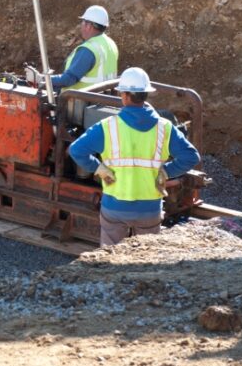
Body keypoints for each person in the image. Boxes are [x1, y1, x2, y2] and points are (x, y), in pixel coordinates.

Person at [68, 67, 200, 247]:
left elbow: (76, 150)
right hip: (149, 210)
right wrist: (166, 172)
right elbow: (191, 156)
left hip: (115, 207)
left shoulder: (108, 127)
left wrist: (98, 168)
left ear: (124, 95)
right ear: (146, 95)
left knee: (110, 258)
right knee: (145, 261)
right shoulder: (165, 128)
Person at [25, 5, 119, 93]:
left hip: (80, 102)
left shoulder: (89, 50)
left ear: (88, 26)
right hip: (101, 99)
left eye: (82, 22)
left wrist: (39, 78)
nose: (81, 26)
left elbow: (68, 79)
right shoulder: (110, 43)